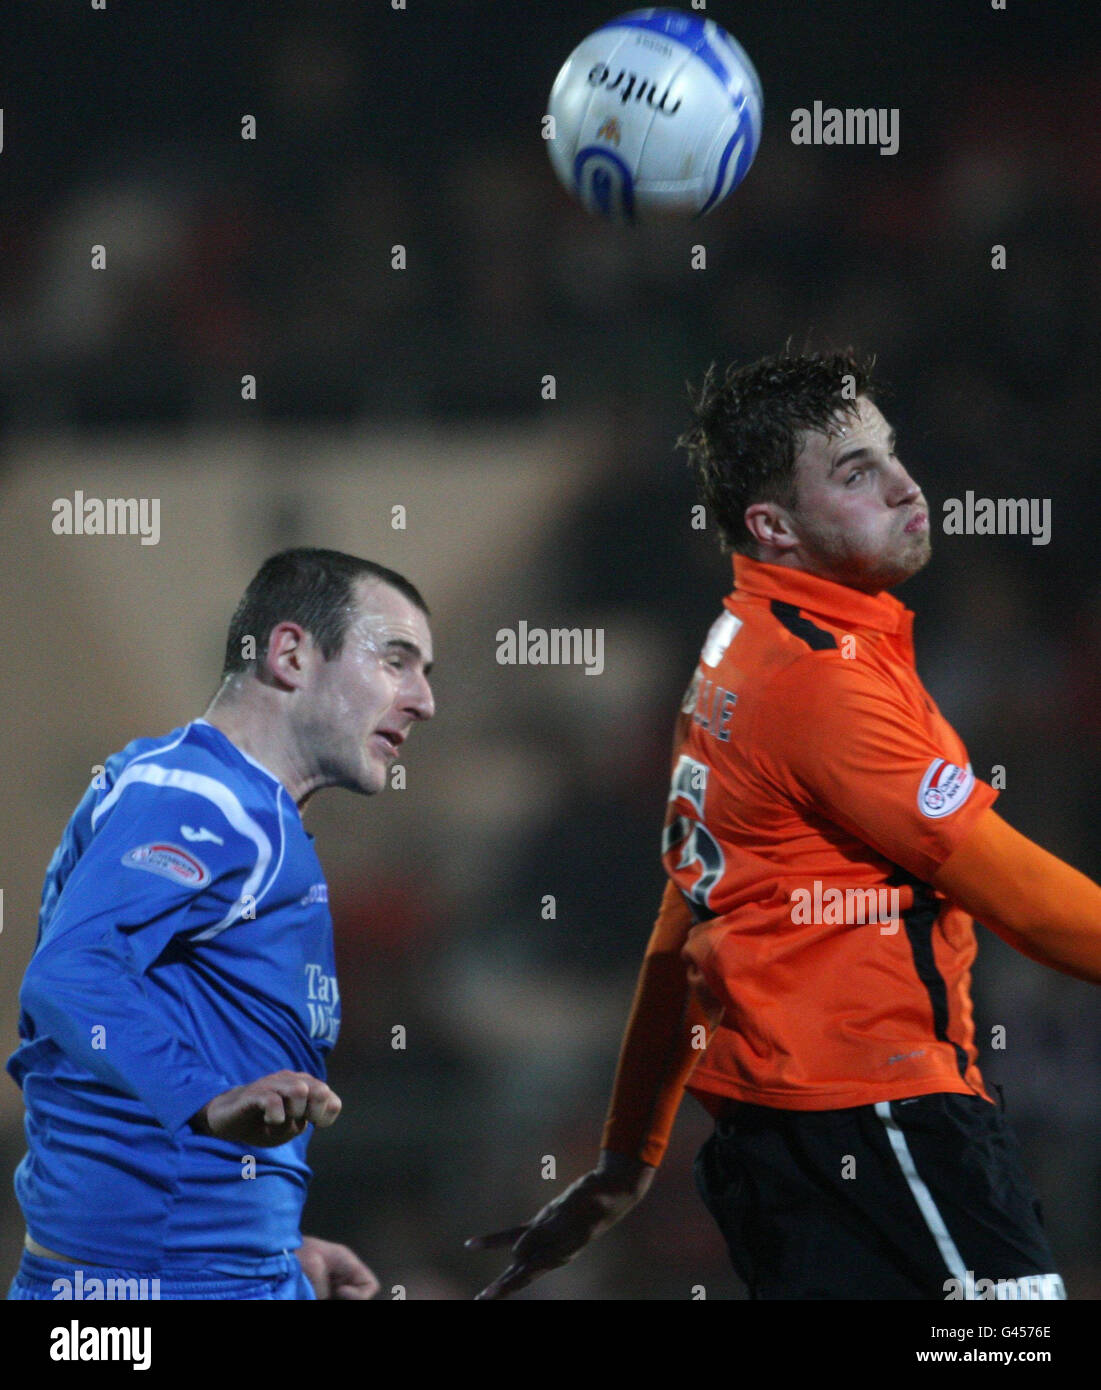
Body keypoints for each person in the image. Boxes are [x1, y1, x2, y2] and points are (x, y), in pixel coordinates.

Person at [469, 349, 1101, 1300]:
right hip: (883, 1117)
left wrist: (626, 1161)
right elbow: (1025, 900)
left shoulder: (737, 654)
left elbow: (685, 922)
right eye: (855, 474)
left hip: (779, 1145)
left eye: (890, 454)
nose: (904, 486)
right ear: (772, 525)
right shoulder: (820, 686)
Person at [7, 547, 435, 1301]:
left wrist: (270, 1242)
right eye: (397, 661)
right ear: (292, 654)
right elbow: (72, 975)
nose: (423, 700)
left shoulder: (235, 804)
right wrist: (205, 1099)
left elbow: (177, 1026)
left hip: (207, 1272)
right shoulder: (202, 803)